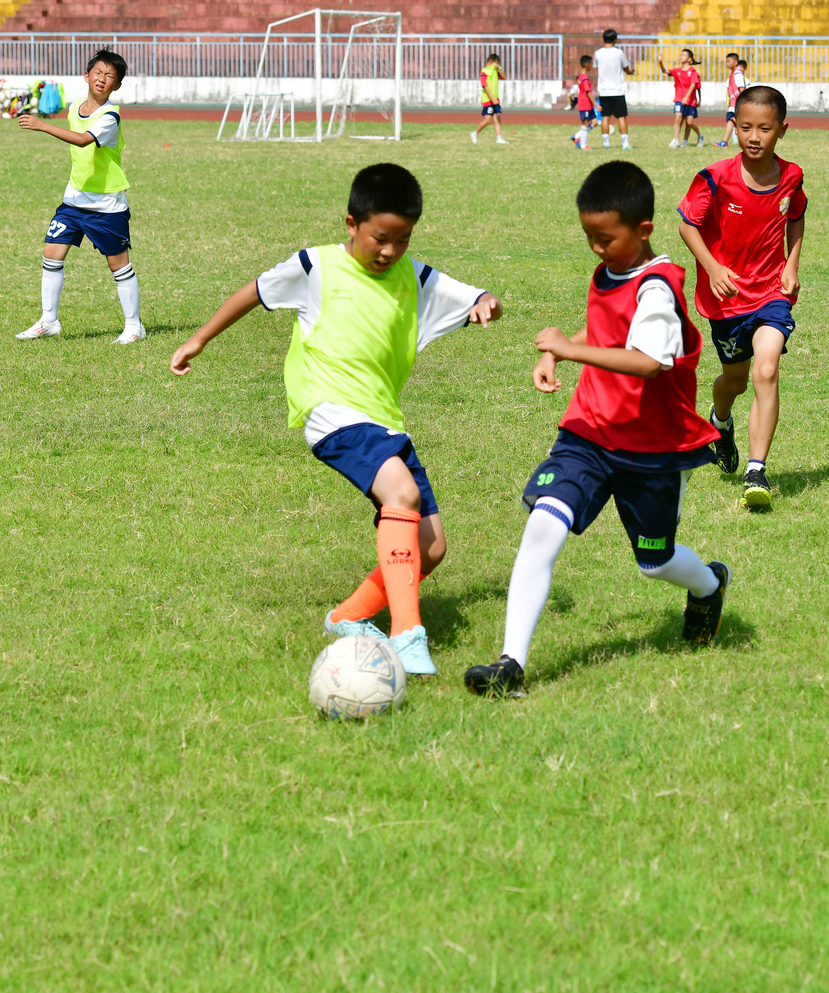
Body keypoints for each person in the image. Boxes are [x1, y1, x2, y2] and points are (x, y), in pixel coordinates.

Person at [170, 163, 502, 676]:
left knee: (430, 546)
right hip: (331, 413)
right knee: (402, 495)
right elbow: (255, 291)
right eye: (380, 239)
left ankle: (348, 617)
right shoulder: (316, 267)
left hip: (385, 420)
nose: (390, 251)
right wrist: (199, 339)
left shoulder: (415, 276)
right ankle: (407, 634)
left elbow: (476, 297)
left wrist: (486, 304)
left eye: (403, 240)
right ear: (351, 223)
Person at [464, 161, 728, 696]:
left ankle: (708, 585)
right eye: (589, 237)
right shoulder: (611, 271)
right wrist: (559, 353)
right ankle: (511, 663)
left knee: (654, 562)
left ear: (643, 230)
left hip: (651, 448)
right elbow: (607, 331)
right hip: (588, 431)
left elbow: (647, 360)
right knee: (544, 525)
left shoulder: (658, 288)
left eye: (605, 238)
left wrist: (568, 348)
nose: (596, 248)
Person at [677, 85, 806, 509]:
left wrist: (791, 264)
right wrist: (713, 268)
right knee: (734, 381)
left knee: (766, 370)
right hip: (727, 299)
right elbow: (687, 225)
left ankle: (756, 470)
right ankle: (720, 421)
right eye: (745, 127)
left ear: (782, 130)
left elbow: (796, 216)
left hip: (771, 293)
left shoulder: (791, 176)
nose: (753, 136)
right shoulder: (715, 177)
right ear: (734, 126)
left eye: (764, 129)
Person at [15, 48, 144, 345]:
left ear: (117, 85)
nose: (102, 78)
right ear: (86, 75)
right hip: (73, 201)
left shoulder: (110, 116)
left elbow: (85, 141)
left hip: (107, 205)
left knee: (118, 265)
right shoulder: (75, 107)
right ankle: (49, 321)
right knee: (51, 254)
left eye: (110, 76)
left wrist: (42, 125)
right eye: (98, 72)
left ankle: (134, 326)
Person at [592, 28, 634, 150]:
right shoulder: (618, 53)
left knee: (605, 117)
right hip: (617, 90)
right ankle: (625, 143)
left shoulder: (598, 53)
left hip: (604, 90)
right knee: (621, 117)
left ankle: (606, 143)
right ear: (615, 39)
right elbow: (626, 68)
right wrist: (630, 72)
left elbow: (596, 68)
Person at [658, 48, 703, 149]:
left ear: (690, 59)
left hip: (691, 100)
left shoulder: (693, 72)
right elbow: (665, 71)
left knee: (689, 122)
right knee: (678, 117)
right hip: (679, 99)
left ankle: (698, 136)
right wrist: (660, 62)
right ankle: (676, 140)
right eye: (680, 55)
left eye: (684, 55)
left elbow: (694, 85)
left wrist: (694, 99)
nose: (681, 57)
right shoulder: (677, 70)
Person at [471, 53, 508, 145]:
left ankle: (499, 138)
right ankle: (475, 133)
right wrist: (492, 98)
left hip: (495, 98)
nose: (497, 65)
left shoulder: (495, 71)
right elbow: (485, 86)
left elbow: (504, 77)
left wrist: (498, 69)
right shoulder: (484, 72)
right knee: (488, 120)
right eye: (497, 63)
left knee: (497, 118)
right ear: (491, 62)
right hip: (488, 99)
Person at [713, 52, 746, 149]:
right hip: (733, 104)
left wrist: (742, 102)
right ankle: (731, 142)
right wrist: (728, 105)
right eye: (726, 61)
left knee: (732, 121)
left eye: (729, 61)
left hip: (737, 104)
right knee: (734, 122)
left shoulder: (737, 74)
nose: (727, 63)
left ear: (736, 62)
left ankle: (725, 142)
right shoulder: (733, 74)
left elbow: (742, 89)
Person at [573, 54, 598, 151]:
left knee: (595, 122)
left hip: (587, 104)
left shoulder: (581, 76)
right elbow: (588, 93)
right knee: (585, 124)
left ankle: (577, 136)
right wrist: (596, 104)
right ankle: (584, 146)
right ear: (587, 65)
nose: (592, 66)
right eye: (591, 64)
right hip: (585, 104)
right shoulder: (584, 78)